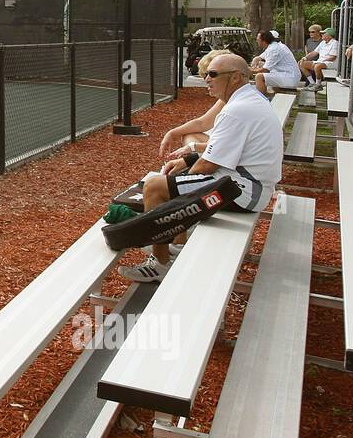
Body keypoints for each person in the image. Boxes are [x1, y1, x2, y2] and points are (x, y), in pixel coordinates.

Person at [120, 53, 283, 283]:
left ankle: (160, 264)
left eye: (213, 74)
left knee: (155, 186)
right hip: (251, 187)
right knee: (172, 179)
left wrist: (177, 183)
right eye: (206, 74)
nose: (206, 78)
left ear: (236, 77)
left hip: (244, 192)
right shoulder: (247, 100)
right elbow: (220, 153)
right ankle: (174, 243)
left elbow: (207, 165)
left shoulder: (237, 110)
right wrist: (184, 167)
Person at [159, 49, 235, 157]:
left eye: (212, 74)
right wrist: (172, 133)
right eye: (205, 75)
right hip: (228, 154)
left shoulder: (237, 104)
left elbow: (225, 147)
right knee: (189, 135)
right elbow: (202, 123)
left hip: (235, 163)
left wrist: (192, 148)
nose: (207, 80)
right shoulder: (227, 99)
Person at [249, 29, 301, 94]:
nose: (257, 41)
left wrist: (250, 71)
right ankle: (271, 94)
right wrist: (256, 59)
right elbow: (261, 57)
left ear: (264, 41)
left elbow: (265, 70)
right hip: (288, 75)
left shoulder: (273, 49)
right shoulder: (273, 46)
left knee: (259, 76)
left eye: (258, 40)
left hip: (290, 78)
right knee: (262, 65)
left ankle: (261, 100)